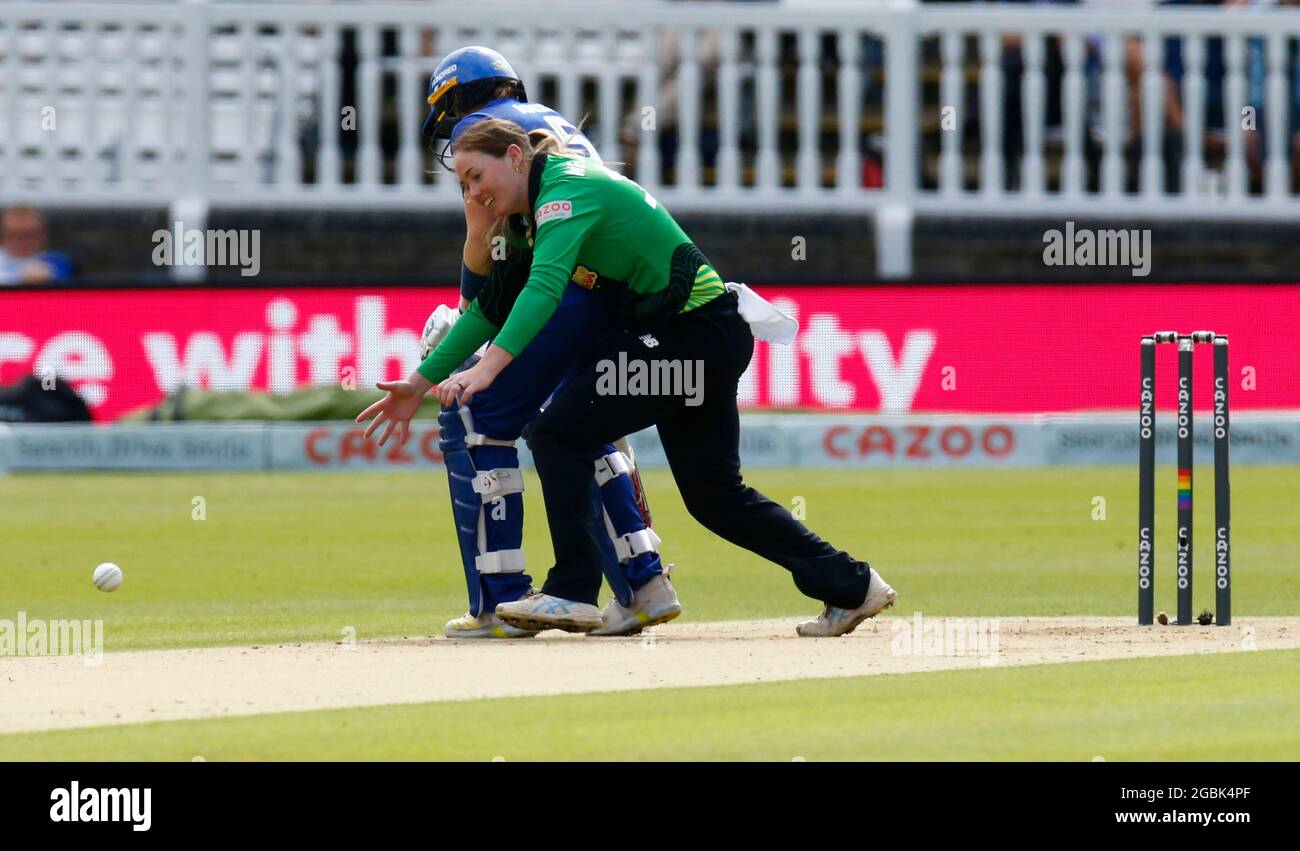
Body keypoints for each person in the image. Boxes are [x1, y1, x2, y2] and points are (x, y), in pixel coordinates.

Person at [363, 117, 896, 638]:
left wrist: (490, 365)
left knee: (558, 433)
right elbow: (488, 309)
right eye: (462, 185)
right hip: (704, 339)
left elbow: (545, 290)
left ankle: (571, 589)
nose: (472, 193)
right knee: (715, 498)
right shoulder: (531, 217)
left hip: (692, 337)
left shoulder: (565, 189)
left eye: (477, 176)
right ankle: (853, 585)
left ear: (515, 156)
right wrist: (418, 381)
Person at [363, 47, 677, 639]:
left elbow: (489, 251)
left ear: (458, 103)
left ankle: (500, 600)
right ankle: (643, 580)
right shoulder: (545, 123)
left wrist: (465, 327)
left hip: (565, 292)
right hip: (613, 293)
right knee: (580, 426)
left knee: (481, 412)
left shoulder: (476, 137)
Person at [0, 206, 74, 286]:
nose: (21, 242)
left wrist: (47, 276)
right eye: (13, 235)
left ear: (42, 235)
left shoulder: (58, 261)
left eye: (28, 235)